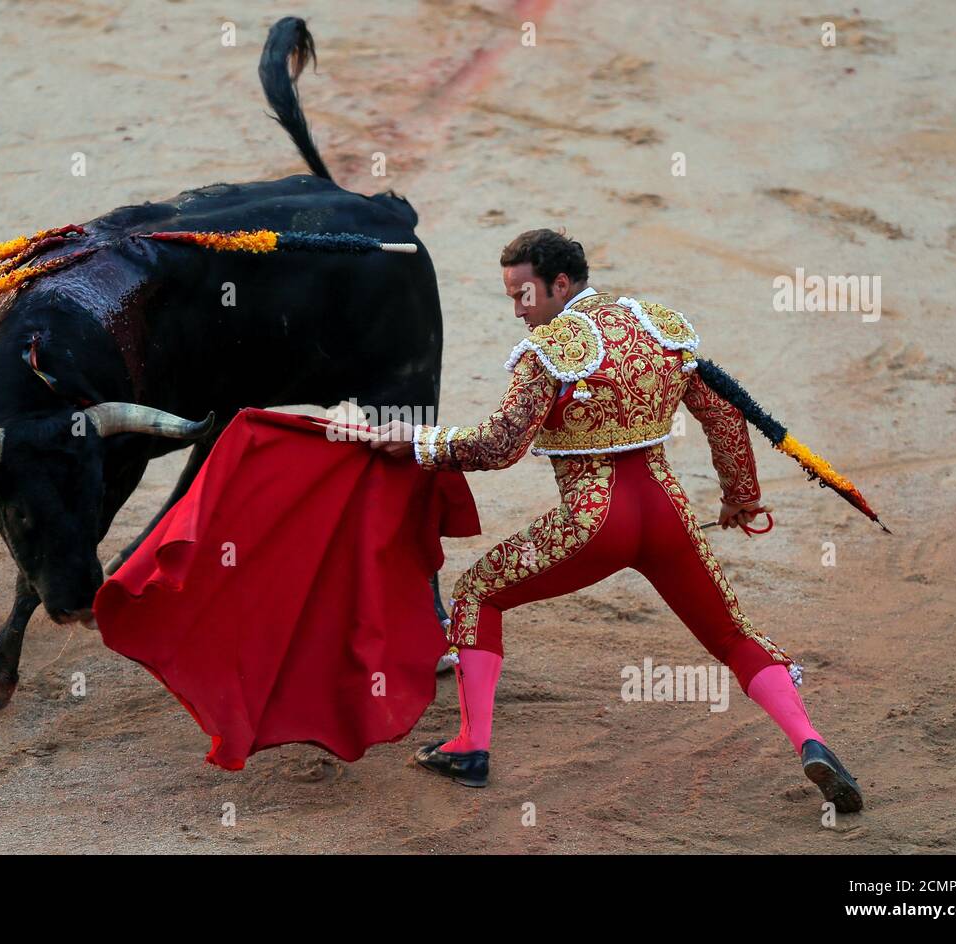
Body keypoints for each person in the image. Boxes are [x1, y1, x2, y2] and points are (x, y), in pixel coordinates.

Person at [360, 229, 862, 812]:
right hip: (667, 512)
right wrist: (740, 496)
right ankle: (811, 741)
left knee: (476, 592)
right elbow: (723, 412)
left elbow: (498, 446)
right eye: (510, 296)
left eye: (524, 294)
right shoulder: (657, 327)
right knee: (732, 635)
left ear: (561, 285)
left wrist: (421, 442)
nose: (518, 309)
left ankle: (471, 747)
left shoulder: (548, 353)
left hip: (594, 519)